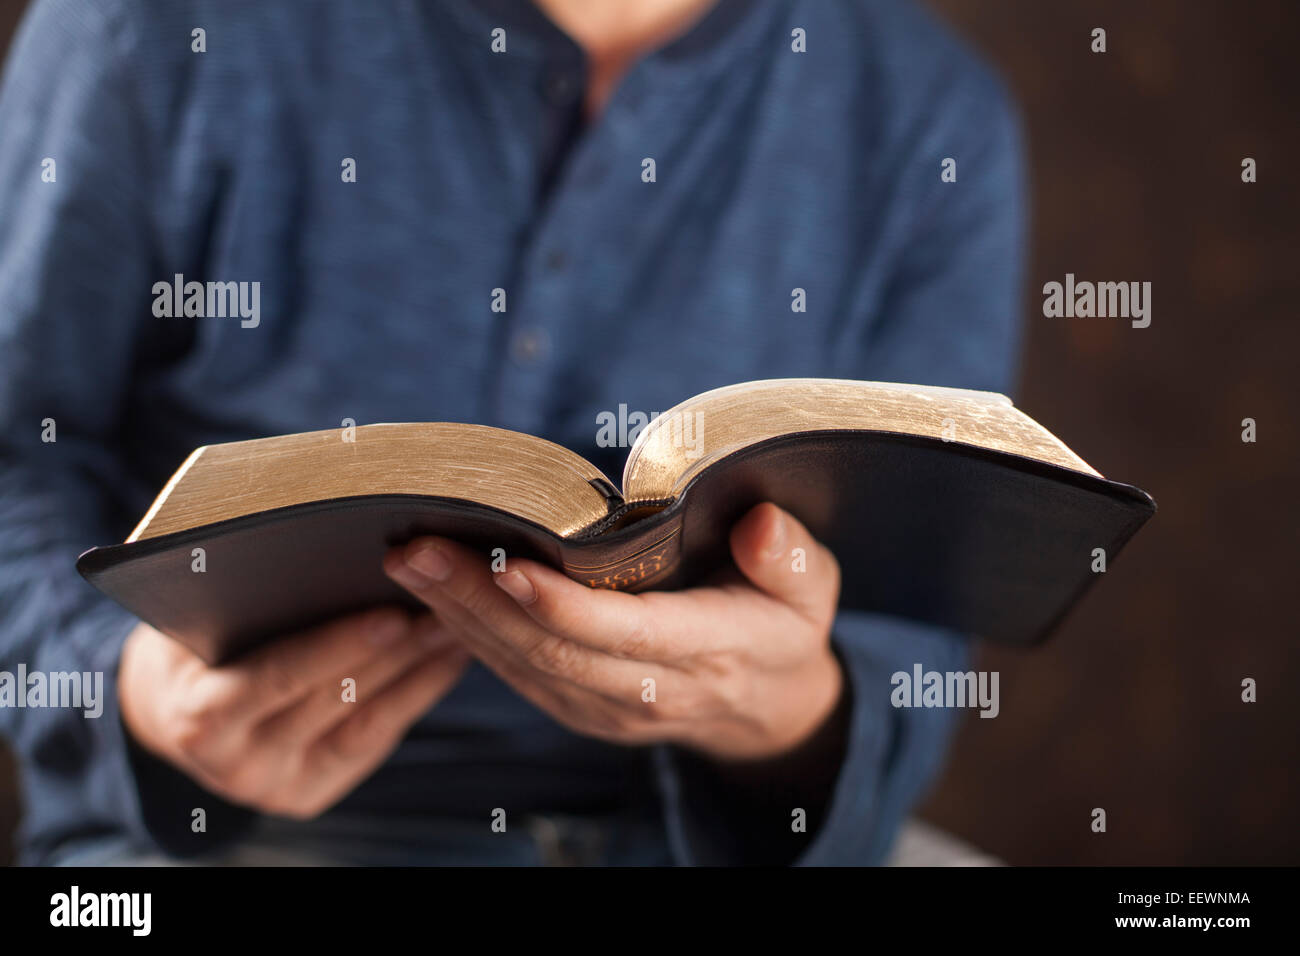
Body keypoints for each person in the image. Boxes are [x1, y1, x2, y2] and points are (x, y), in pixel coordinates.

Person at [0, 0, 1024, 866]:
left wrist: (792, 722)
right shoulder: (145, 29)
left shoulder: (935, 125)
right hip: (219, 832)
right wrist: (122, 688)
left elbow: (911, 634)